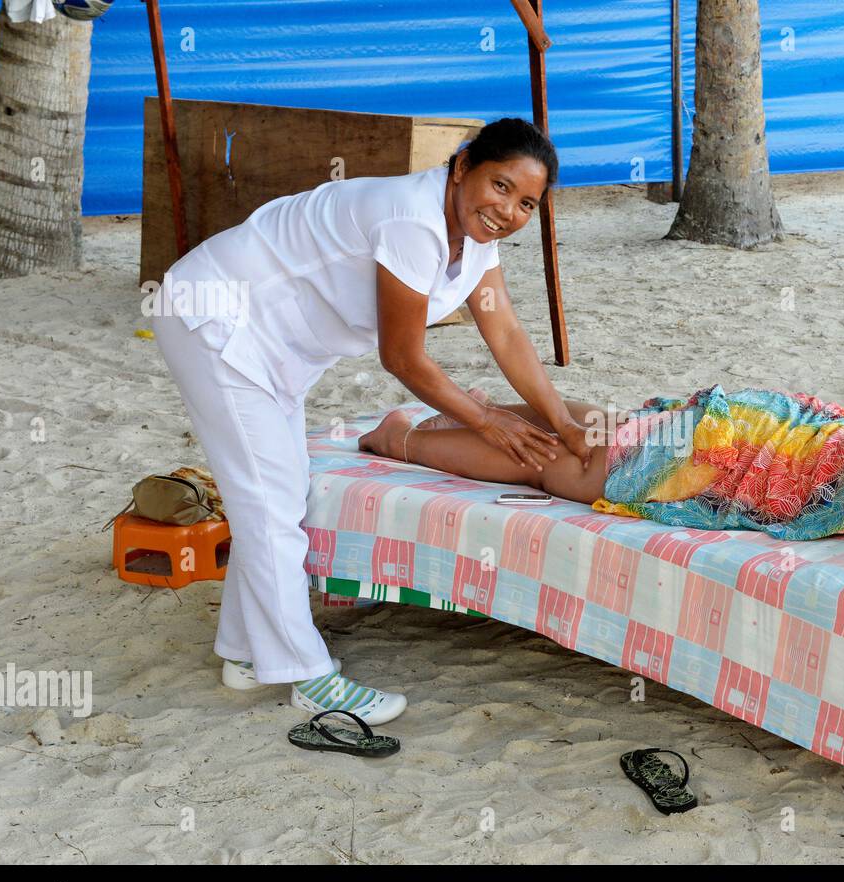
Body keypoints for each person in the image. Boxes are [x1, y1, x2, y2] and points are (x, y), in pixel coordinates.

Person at [152, 118, 589, 725]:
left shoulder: (476, 237)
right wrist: (487, 420)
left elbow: (507, 333)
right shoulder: (411, 219)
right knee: (270, 503)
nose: (507, 210)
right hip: (220, 314)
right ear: (462, 166)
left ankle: (247, 654)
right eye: (499, 186)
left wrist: (562, 420)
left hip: (278, 343)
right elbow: (403, 357)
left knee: (277, 498)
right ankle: (307, 675)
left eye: (526, 204)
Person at [358, 387, 844, 602]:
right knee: (556, 469)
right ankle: (401, 439)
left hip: (757, 425)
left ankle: (469, 408)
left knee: (594, 428)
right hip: (729, 462)